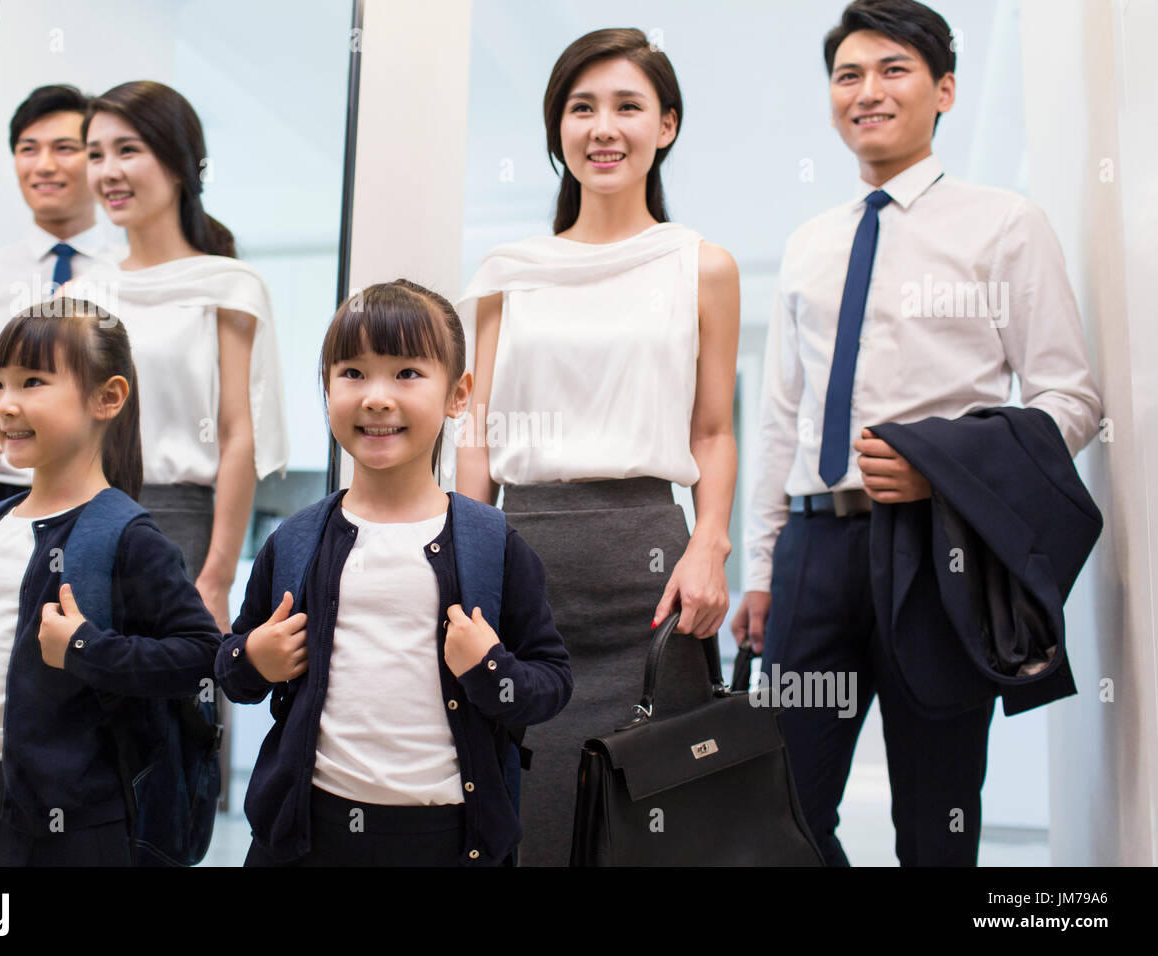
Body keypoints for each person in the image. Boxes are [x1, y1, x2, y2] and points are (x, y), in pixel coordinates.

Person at [731, 0, 1103, 867]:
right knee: (779, 813)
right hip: (812, 555)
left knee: (936, 822)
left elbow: (1070, 398)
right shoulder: (809, 244)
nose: (867, 91)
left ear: (944, 90)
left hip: (938, 556)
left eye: (893, 70)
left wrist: (947, 471)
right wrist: (759, 569)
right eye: (848, 74)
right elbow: (781, 417)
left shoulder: (1005, 224)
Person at [455, 27, 740, 866]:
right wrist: (467, 569)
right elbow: (480, 436)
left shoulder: (701, 265)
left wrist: (711, 546)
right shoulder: (509, 270)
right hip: (525, 566)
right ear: (558, 131)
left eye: (627, 106)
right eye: (581, 108)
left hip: (654, 578)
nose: (603, 127)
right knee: (533, 820)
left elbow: (713, 430)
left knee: (656, 824)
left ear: (667, 126)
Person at [215, 280, 573, 867]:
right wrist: (253, 657)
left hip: (450, 838)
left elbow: (552, 686)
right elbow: (231, 670)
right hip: (307, 835)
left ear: (459, 395)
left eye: (407, 373)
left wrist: (491, 669)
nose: (377, 397)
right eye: (352, 372)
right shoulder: (296, 541)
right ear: (326, 390)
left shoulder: (493, 544)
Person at [0, 299, 221, 866]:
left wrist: (86, 649)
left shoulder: (128, 535)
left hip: (68, 826)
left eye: (33, 381)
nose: (6, 405)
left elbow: (202, 656)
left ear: (107, 397)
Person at [67, 80, 289, 630]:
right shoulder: (80, 293)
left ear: (177, 162)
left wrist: (216, 576)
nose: (107, 172)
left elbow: (239, 435)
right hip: (80, 519)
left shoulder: (228, 285)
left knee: (175, 709)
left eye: (127, 150)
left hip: (179, 527)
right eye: (95, 155)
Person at [0, 84, 124, 587]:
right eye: (28, 149)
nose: (43, 165)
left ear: (94, 162)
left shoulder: (125, 278)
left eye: (64, 149)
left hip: (93, 502)